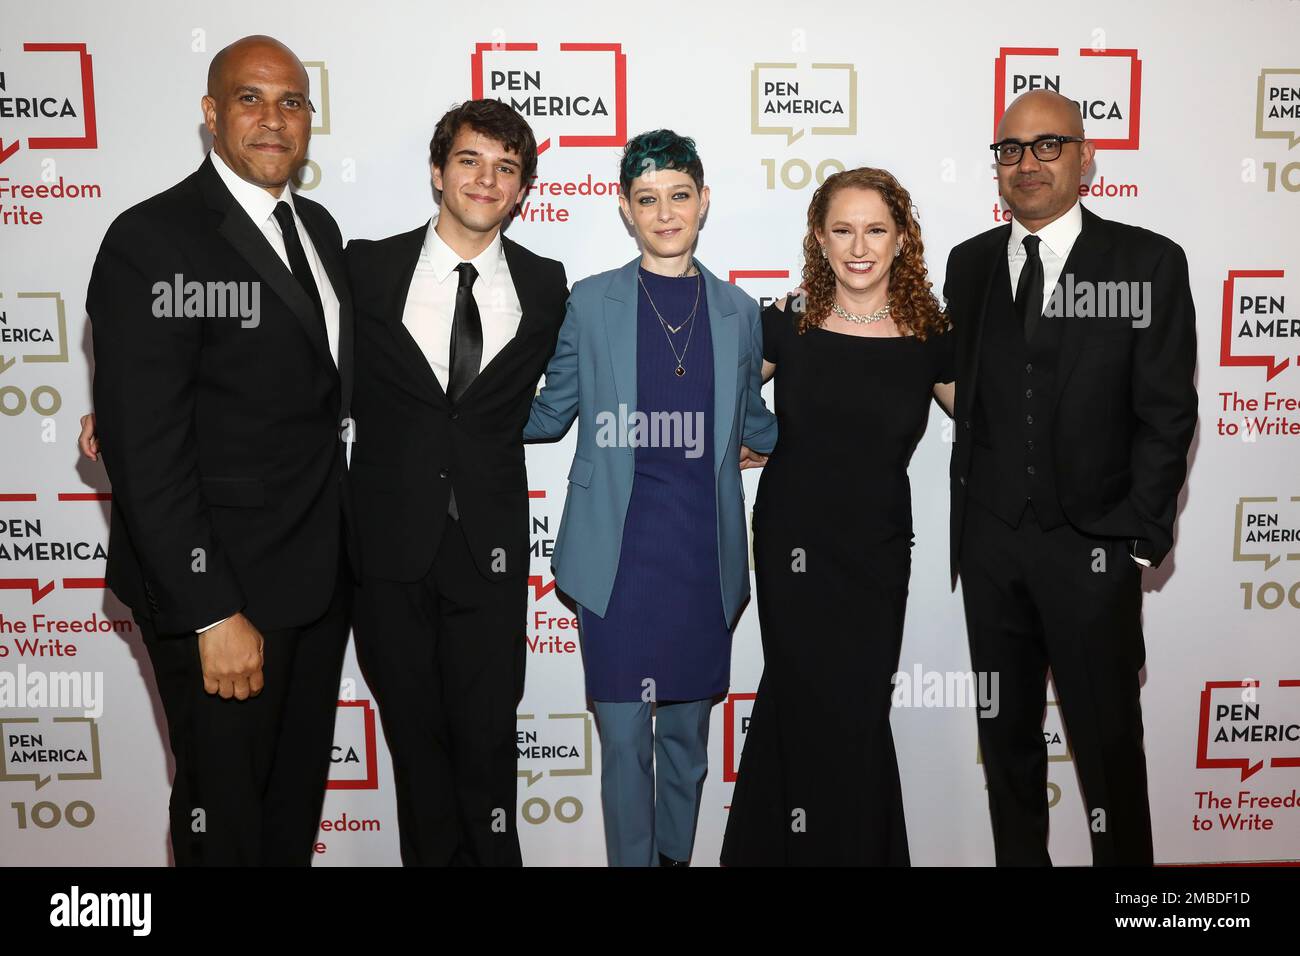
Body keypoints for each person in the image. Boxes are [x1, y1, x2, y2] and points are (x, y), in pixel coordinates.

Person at [83, 35, 356, 865]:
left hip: (314, 581)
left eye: (293, 102)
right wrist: (209, 609)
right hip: (221, 594)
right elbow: (148, 447)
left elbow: (318, 396)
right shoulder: (154, 240)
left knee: (285, 821)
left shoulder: (317, 226)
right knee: (225, 826)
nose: (274, 119)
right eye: (250, 98)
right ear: (210, 113)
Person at [946, 90, 1197, 865]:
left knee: (1110, 756)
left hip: (1095, 555)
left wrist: (1133, 540)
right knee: (1008, 751)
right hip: (991, 552)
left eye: (1048, 145)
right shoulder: (970, 263)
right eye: (1012, 150)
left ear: (1087, 158)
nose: (1028, 164)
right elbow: (950, 383)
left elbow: (1167, 415)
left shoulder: (1146, 260)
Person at [523, 129, 777, 866]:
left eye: (678, 196)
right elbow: (548, 412)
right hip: (617, 562)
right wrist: (455, 407)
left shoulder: (737, 311)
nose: (665, 213)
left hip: (702, 557)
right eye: (647, 199)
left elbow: (757, 425)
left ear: (703, 202)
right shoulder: (592, 301)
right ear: (626, 210)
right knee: (626, 742)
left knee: (689, 747)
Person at [343, 100, 569, 866]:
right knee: (417, 748)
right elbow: (294, 375)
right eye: (470, 160)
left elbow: (580, 387)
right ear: (438, 172)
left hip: (491, 554)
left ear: (523, 190)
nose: (487, 178)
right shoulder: (367, 267)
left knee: (487, 748)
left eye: (507, 168)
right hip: (387, 552)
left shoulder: (546, 285)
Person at [720, 168, 954, 866]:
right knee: (796, 697)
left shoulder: (929, 338)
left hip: (876, 550)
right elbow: (708, 396)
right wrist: (746, 437)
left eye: (875, 229)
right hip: (794, 542)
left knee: (856, 710)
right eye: (842, 230)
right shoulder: (784, 325)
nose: (859, 246)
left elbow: (1000, 424)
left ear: (901, 238)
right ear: (819, 239)